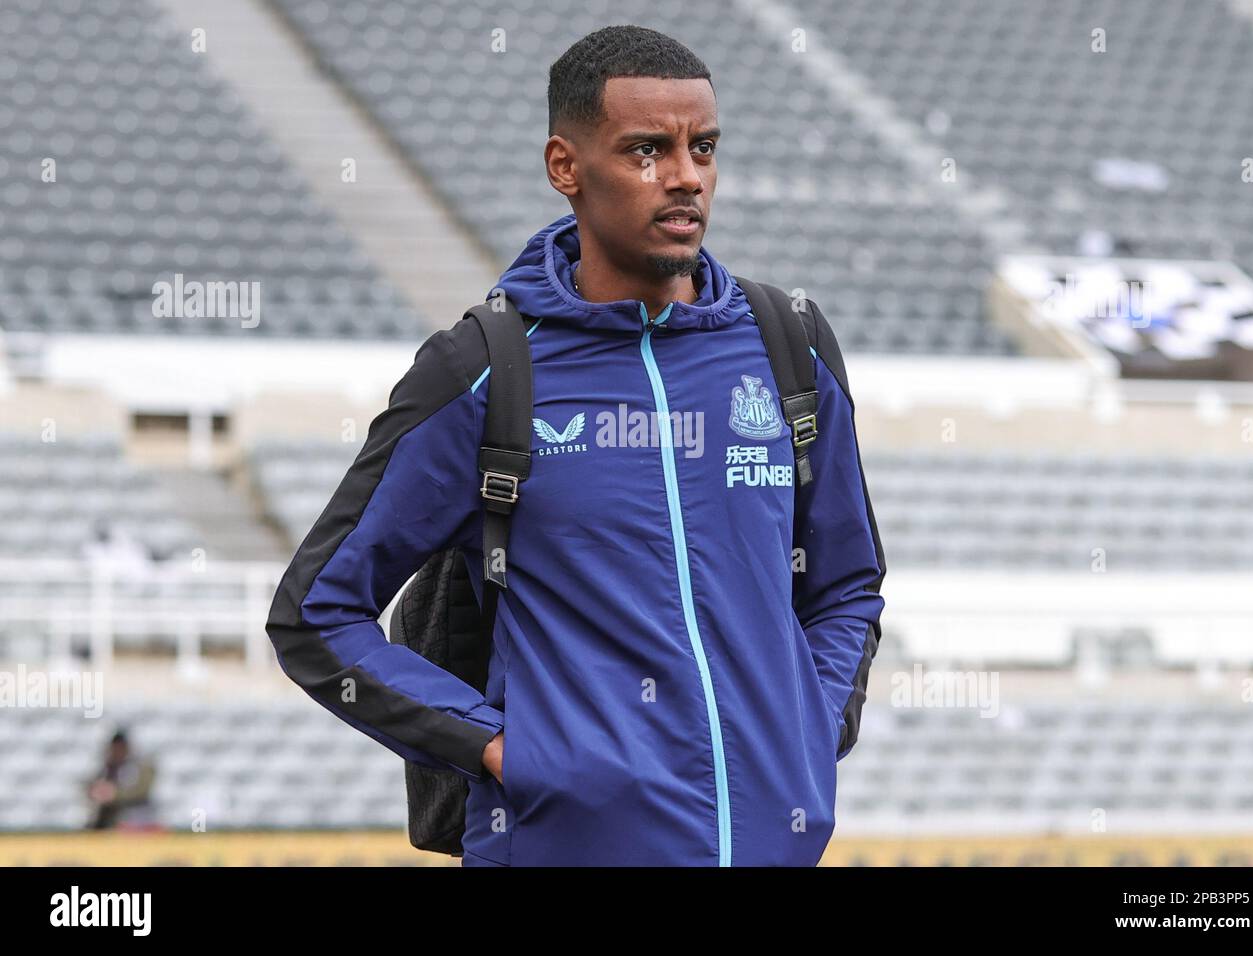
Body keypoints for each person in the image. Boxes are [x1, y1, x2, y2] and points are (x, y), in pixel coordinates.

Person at [266, 24, 885, 866]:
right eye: (645, 151)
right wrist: (499, 749)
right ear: (566, 166)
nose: (685, 177)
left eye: (702, 148)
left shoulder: (790, 343)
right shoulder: (485, 368)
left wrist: (808, 730)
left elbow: (845, 583)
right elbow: (315, 614)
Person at [85, 728, 158, 830]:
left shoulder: (141, 767)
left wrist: (114, 794)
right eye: (115, 746)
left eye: (121, 746)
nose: (117, 750)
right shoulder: (107, 768)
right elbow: (91, 787)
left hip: (138, 820)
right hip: (114, 823)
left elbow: (141, 790)